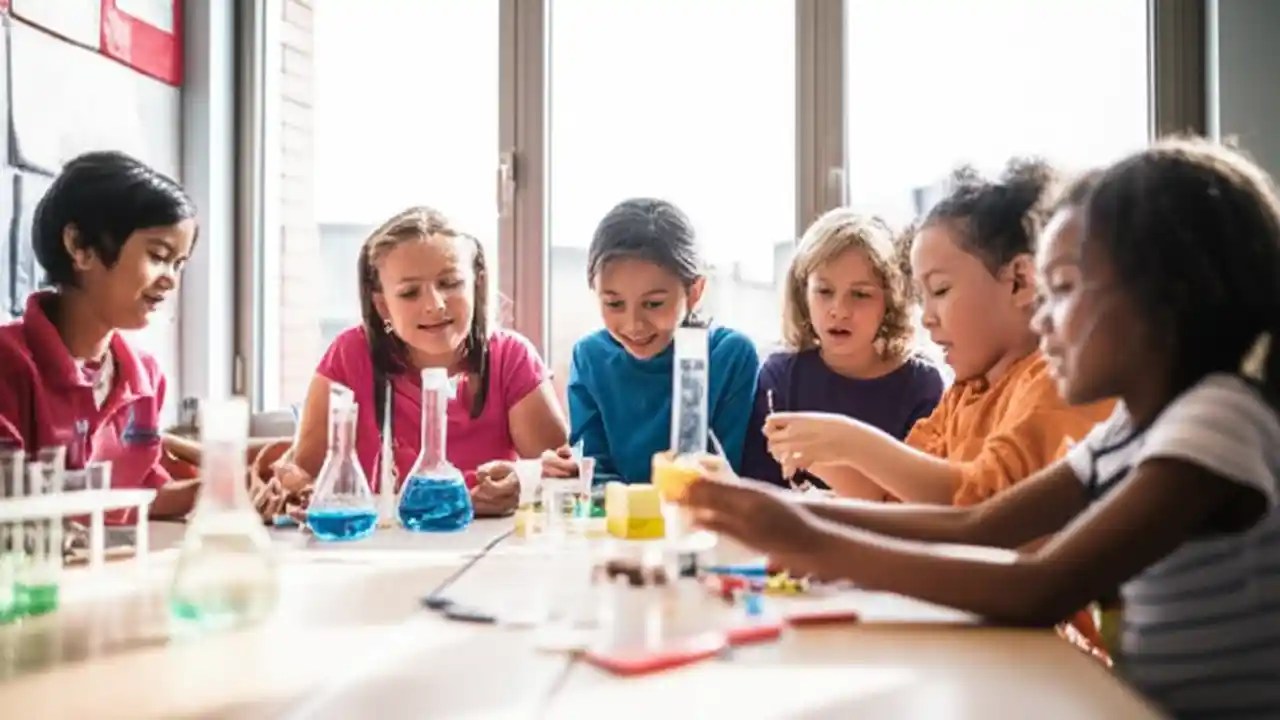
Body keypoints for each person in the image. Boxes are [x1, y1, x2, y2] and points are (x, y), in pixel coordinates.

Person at [683, 138, 1280, 718]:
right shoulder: (1128, 431)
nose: (1043, 316)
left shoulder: (1217, 420)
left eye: (1065, 288)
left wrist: (813, 540)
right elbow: (980, 523)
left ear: (1168, 295)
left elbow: (1043, 587)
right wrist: (762, 508)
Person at [764, 160, 1111, 505]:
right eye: (922, 297)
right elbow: (890, 495)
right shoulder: (962, 394)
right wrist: (817, 452)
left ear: (1019, 281)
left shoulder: (1053, 383)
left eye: (941, 290)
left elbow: (982, 504)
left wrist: (851, 442)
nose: (927, 318)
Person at [281, 206, 567, 516]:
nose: (434, 304)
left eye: (450, 283)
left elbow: (564, 474)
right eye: (409, 293)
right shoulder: (349, 356)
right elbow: (303, 475)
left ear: (477, 284)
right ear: (383, 306)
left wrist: (525, 484)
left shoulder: (511, 358)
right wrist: (292, 488)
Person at [0, 151, 199, 519]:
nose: (171, 278)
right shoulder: (8, 364)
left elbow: (138, 492)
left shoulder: (145, 378)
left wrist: (226, 489)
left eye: (178, 263)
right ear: (80, 247)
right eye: (158, 255)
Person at [542, 198, 760, 483]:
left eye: (654, 304)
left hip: (701, 523)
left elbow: (723, 477)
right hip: (616, 524)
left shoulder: (729, 356)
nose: (634, 325)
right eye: (614, 304)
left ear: (695, 292)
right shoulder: (590, 357)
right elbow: (594, 471)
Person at [740, 209, 944, 490]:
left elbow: (917, 502)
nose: (839, 311)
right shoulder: (781, 376)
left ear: (890, 303)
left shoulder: (921, 384)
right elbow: (759, 489)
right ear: (803, 294)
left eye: (860, 294)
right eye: (824, 291)